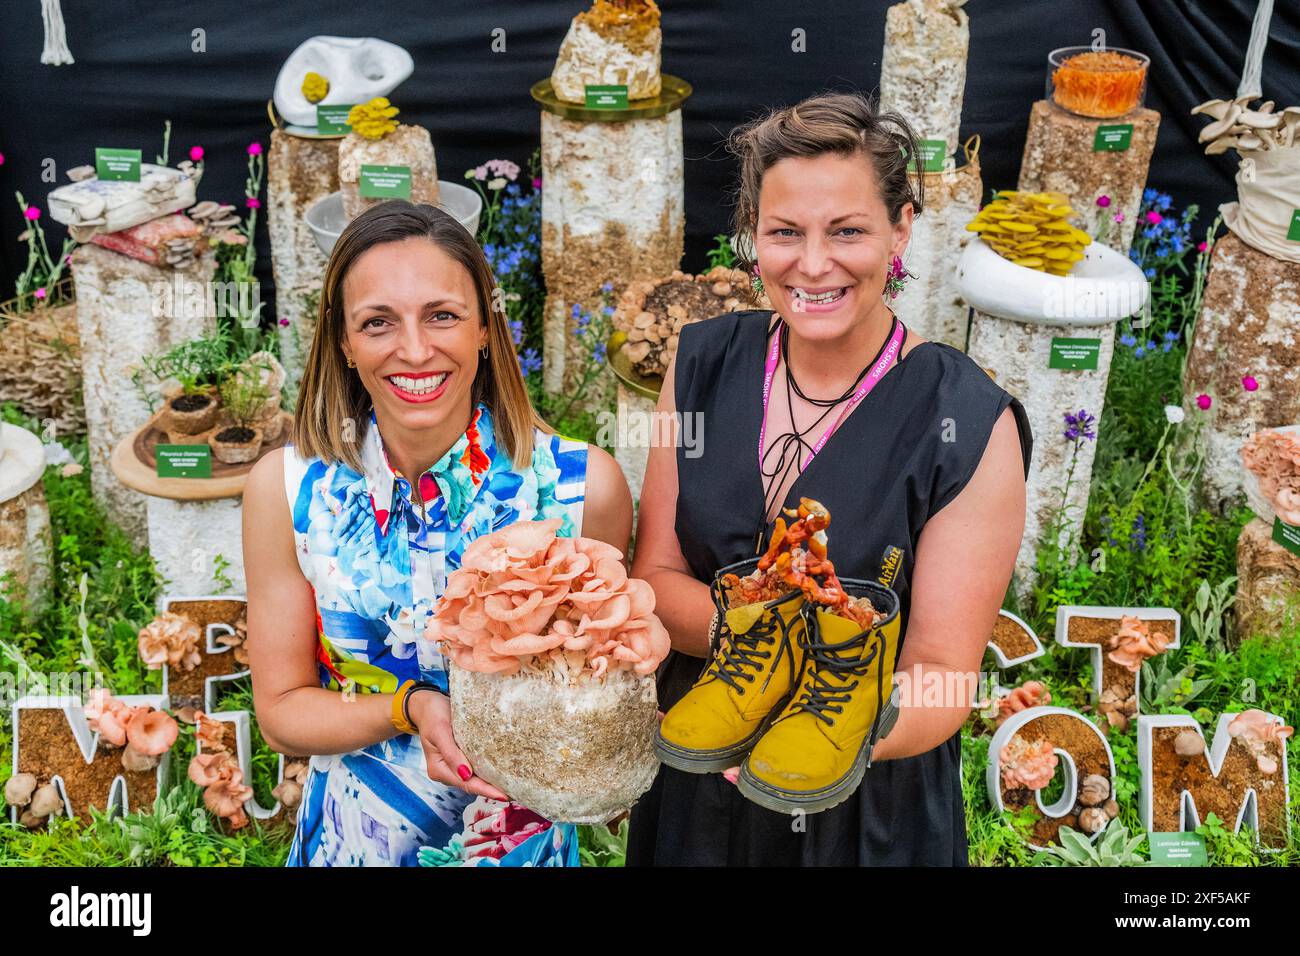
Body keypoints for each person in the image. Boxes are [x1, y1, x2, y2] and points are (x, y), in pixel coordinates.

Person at [627, 92, 1032, 865]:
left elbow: (946, 679)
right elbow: (657, 574)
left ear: (901, 227)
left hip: (864, 804)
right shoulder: (699, 364)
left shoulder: (972, 422)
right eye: (784, 233)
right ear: (752, 235)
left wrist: (841, 733)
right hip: (698, 765)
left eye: (847, 231)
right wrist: (752, 651)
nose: (813, 264)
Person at [242, 200, 632, 866]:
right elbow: (281, 714)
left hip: (518, 850)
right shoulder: (286, 491)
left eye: (443, 315)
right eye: (378, 323)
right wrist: (410, 708)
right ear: (344, 341)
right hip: (349, 845)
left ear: (485, 327)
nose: (415, 349)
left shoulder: (581, 487)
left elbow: (607, 696)